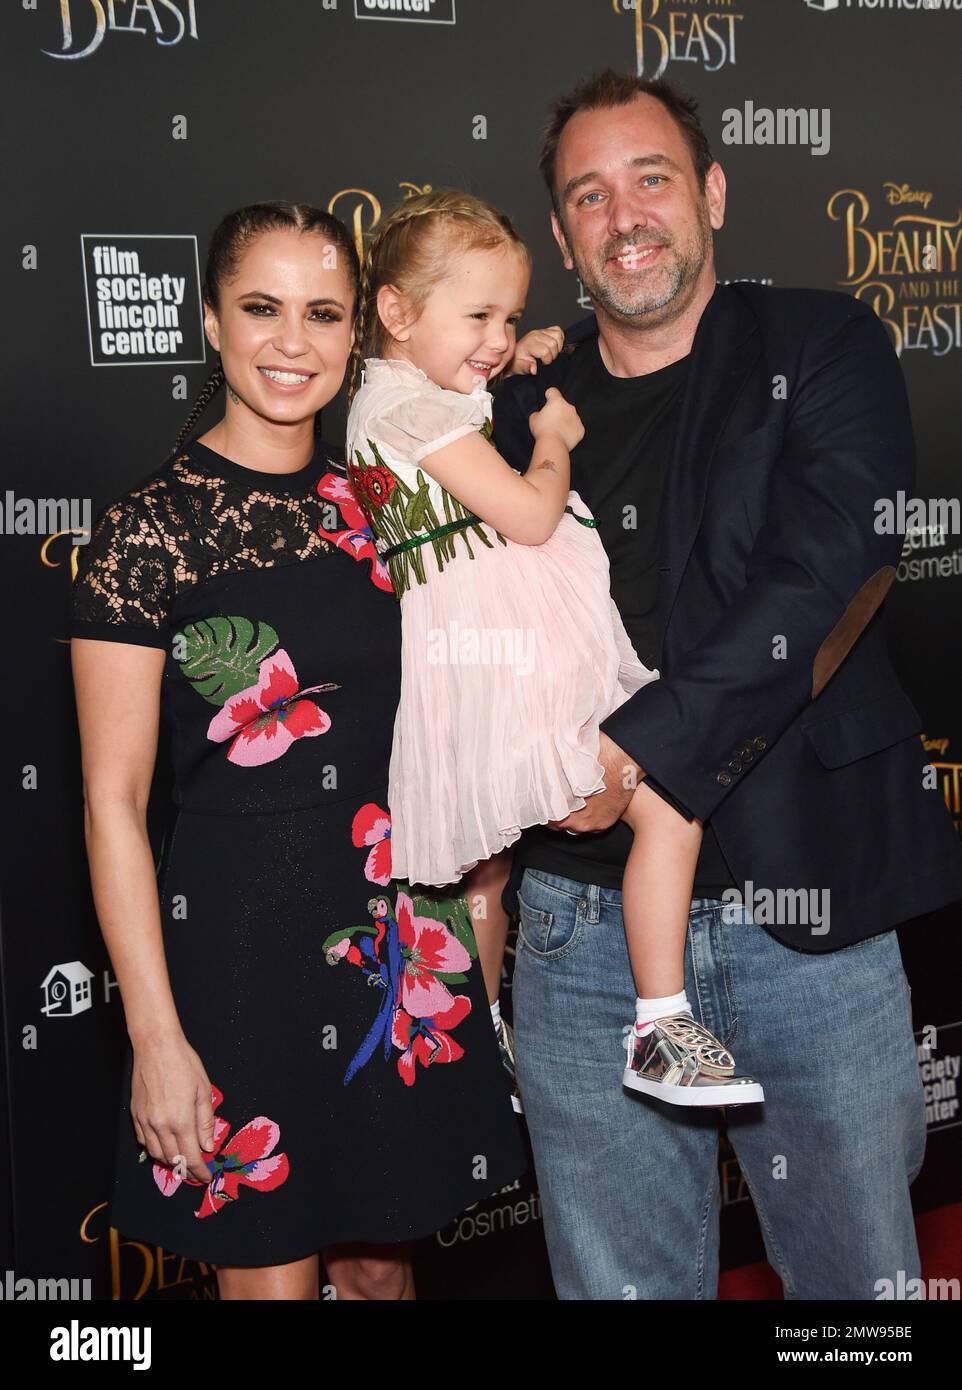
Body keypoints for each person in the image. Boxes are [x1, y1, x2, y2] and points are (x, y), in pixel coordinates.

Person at [491, 68, 962, 1300]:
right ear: (559, 235)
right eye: (588, 195)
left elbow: (822, 569)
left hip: (800, 914)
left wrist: (631, 749)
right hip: (579, 932)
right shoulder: (512, 410)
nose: (623, 213)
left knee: (856, 1289)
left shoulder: (822, 343)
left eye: (650, 178)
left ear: (708, 191)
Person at [70, 201, 525, 1302]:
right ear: (212, 322)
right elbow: (111, 806)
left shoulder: (390, 500)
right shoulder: (146, 530)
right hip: (234, 963)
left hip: (394, 947)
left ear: (357, 331)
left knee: (380, 1276)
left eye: (321, 313)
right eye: (260, 308)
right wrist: (155, 1036)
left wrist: (486, 898)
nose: (291, 341)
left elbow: (471, 710)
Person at [343, 188, 764, 1112]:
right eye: (478, 316)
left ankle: (485, 1033)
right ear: (397, 312)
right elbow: (530, 514)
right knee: (665, 805)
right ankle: (659, 1024)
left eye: (512, 317)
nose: (498, 338)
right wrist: (554, 440)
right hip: (518, 653)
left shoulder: (400, 397)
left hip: (477, 651)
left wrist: (509, 364)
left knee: (490, 859)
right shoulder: (418, 417)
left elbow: (460, 409)